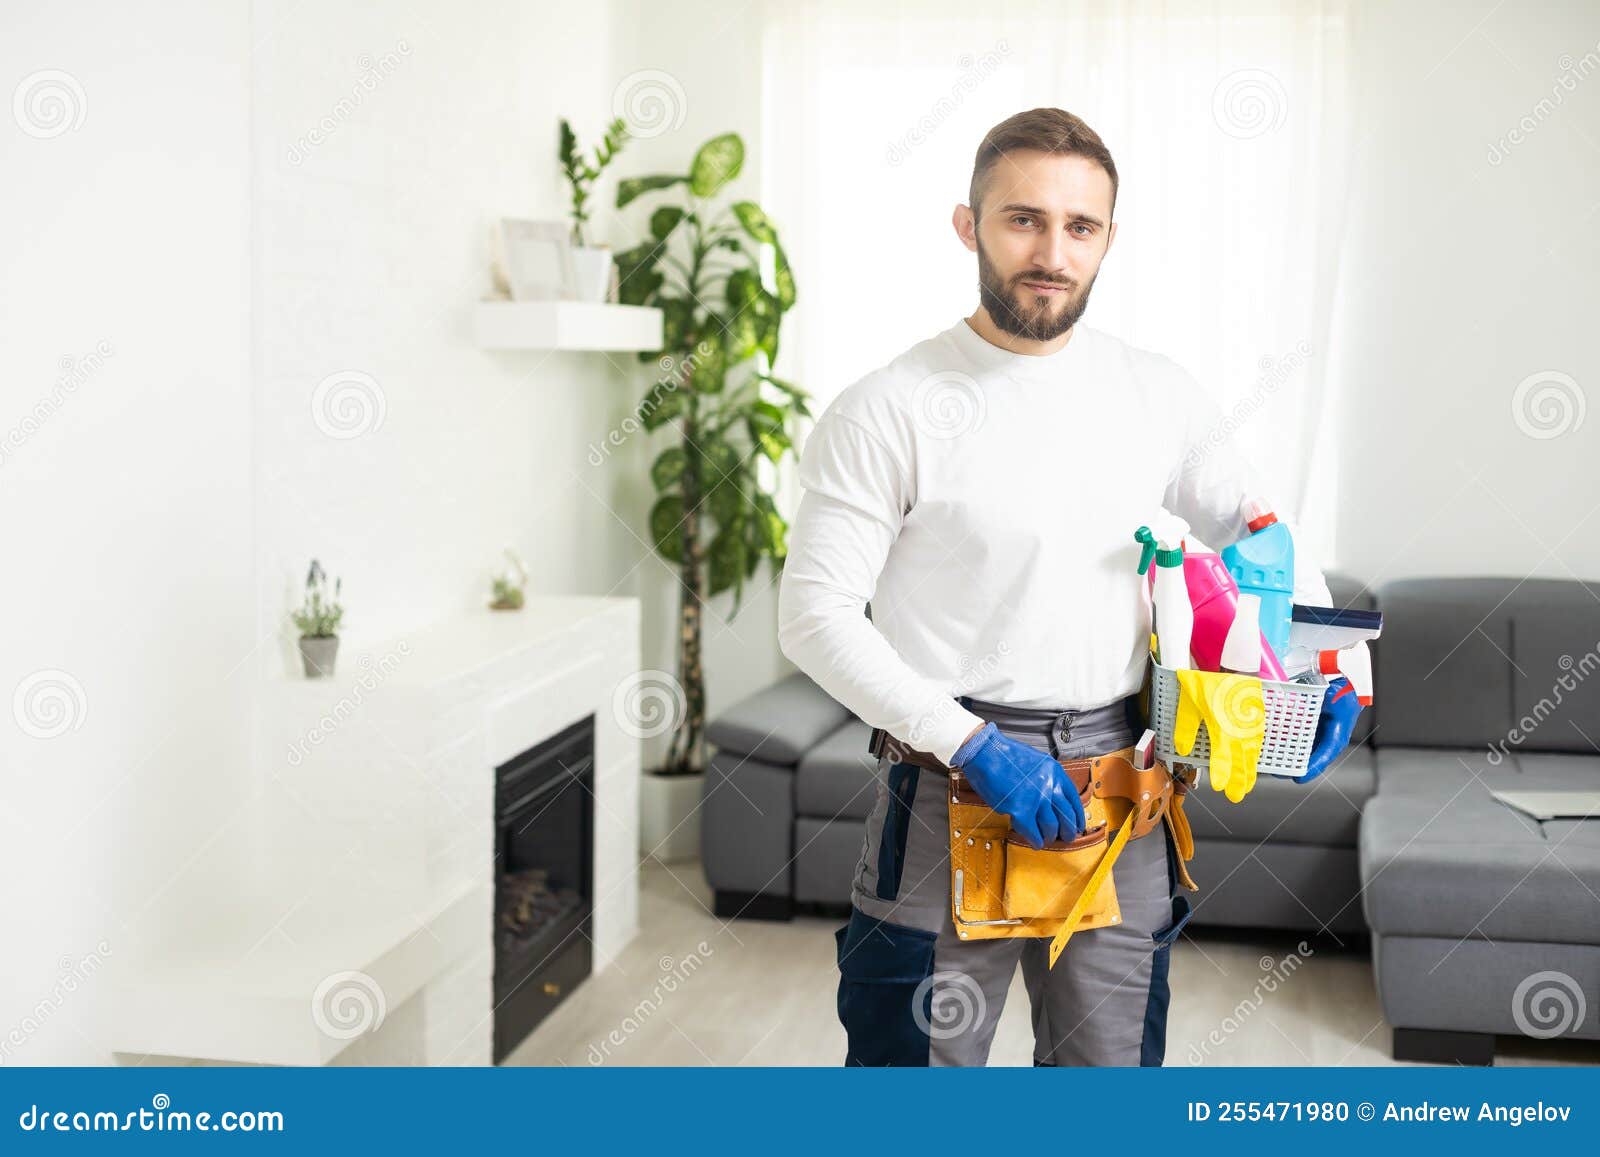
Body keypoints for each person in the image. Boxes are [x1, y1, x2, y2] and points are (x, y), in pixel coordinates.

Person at [775, 107, 1359, 1067]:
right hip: (949, 781)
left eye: (1080, 227)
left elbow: (1261, 533)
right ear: (967, 225)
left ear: (1108, 239)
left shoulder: (1156, 392)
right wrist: (975, 745)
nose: (1052, 254)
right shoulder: (888, 407)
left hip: (1123, 791)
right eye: (1023, 220)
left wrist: (1325, 667)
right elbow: (814, 616)